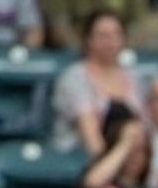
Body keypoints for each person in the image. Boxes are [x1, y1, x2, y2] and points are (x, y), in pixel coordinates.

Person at [50, 10, 146, 156]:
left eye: (116, 35)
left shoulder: (135, 77)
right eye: (103, 36)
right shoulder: (75, 77)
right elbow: (90, 137)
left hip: (129, 160)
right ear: (89, 40)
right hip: (83, 157)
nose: (111, 42)